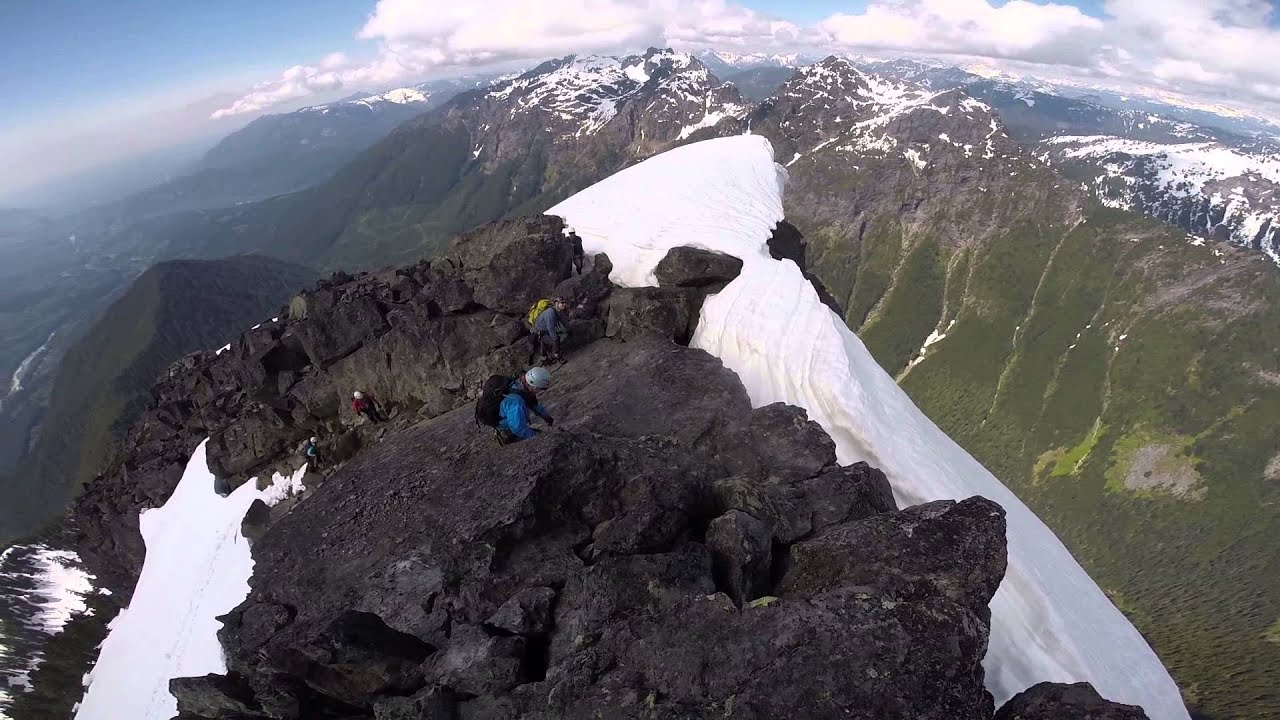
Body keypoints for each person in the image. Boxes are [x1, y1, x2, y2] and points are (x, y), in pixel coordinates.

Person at [497, 367, 555, 444]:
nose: (542, 391)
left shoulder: (521, 384)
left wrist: (546, 417)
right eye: (542, 389)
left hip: (512, 421)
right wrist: (537, 437)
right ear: (534, 387)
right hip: (509, 429)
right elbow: (517, 428)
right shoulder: (516, 402)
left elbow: (533, 403)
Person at [531, 296, 570, 364]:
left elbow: (562, 322)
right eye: (562, 303)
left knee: (547, 341)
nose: (564, 304)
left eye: (565, 303)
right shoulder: (550, 313)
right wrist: (555, 339)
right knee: (555, 340)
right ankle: (557, 356)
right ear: (556, 303)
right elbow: (550, 328)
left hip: (543, 331)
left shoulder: (557, 311)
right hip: (540, 332)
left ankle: (544, 358)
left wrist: (567, 329)